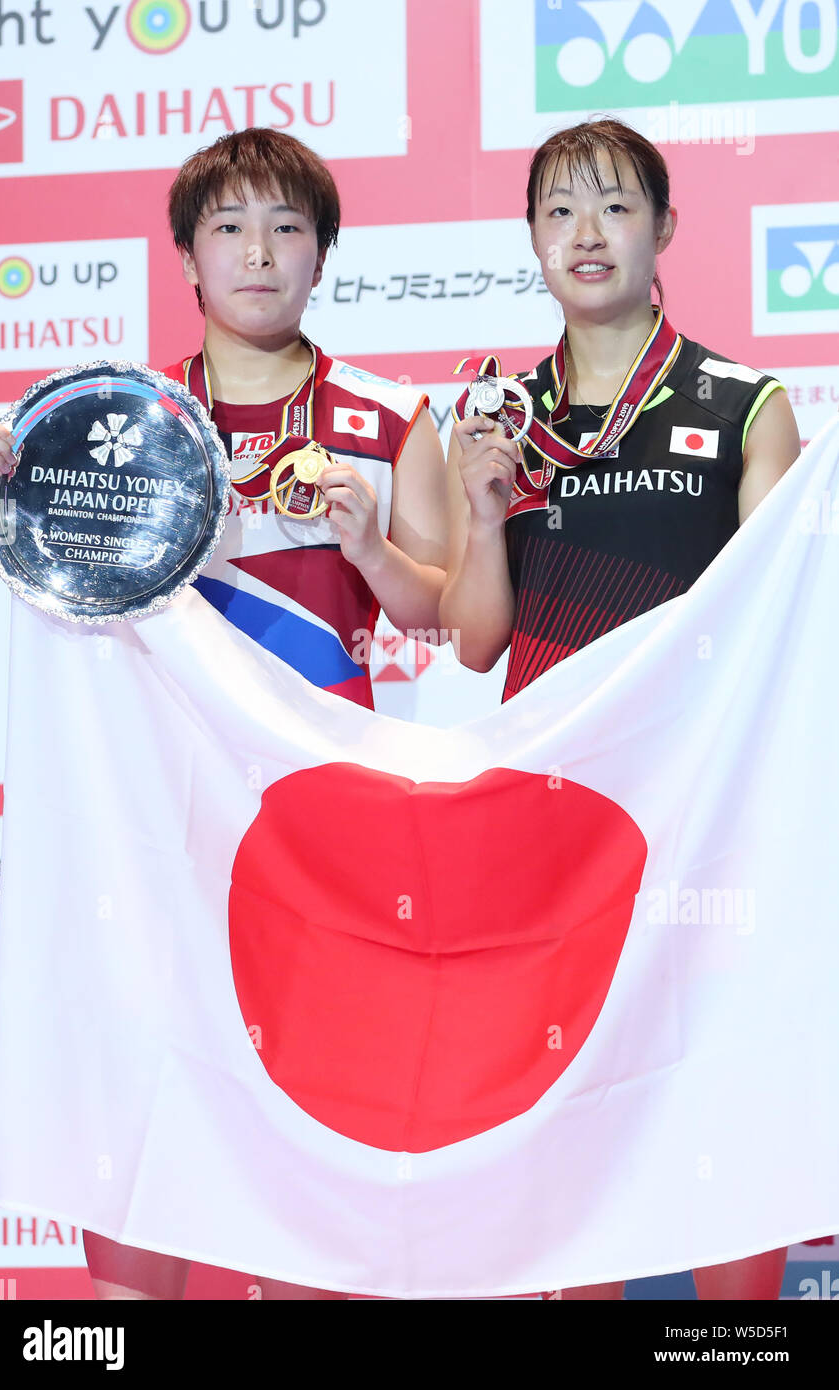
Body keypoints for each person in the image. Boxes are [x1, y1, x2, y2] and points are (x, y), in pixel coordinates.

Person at [0, 127, 448, 1301]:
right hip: (146, 829)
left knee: (307, 1123)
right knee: (138, 1097)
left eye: (286, 226)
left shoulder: (390, 418)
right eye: (228, 226)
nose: (256, 252)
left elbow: (444, 617)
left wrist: (366, 544)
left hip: (320, 836)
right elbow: (40, 580)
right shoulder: (99, 428)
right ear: (184, 254)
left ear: (324, 252)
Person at [439, 117, 800, 1301]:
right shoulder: (494, 415)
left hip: (706, 808)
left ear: (664, 230)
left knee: (722, 1083)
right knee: (568, 1101)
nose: (584, 233)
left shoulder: (744, 405)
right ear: (531, 239)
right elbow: (477, 637)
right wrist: (481, 513)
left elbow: (779, 627)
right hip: (551, 817)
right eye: (557, 210)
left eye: (612, 207)